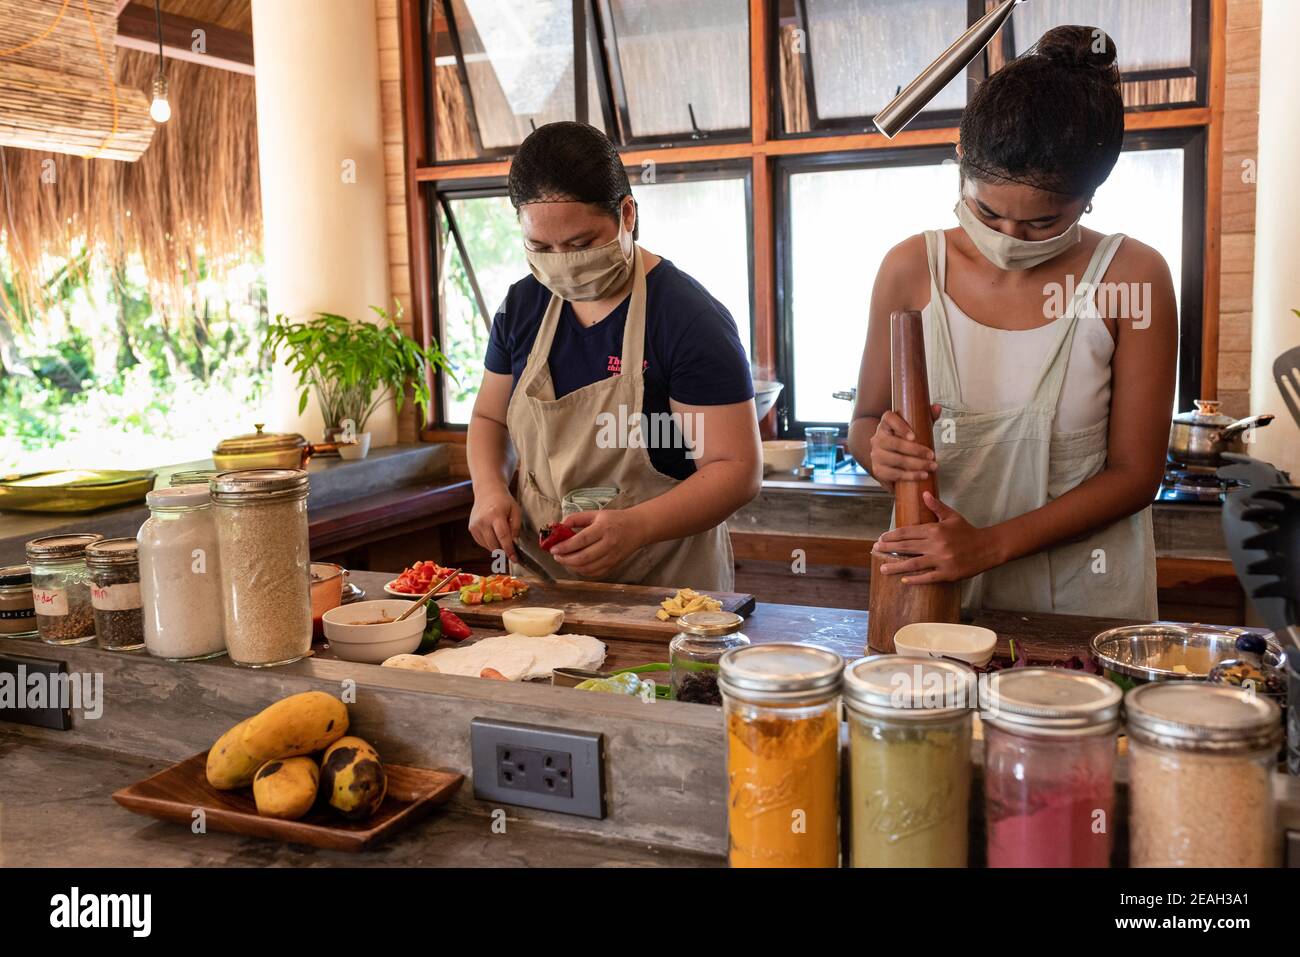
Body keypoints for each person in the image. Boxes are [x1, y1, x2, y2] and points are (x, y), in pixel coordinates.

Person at [846, 26, 1177, 619]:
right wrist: (882, 454)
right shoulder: (910, 267)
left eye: (1043, 223)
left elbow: (1135, 474)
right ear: (959, 163)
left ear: (1090, 196)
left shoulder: (1132, 275)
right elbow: (865, 424)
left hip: (1082, 604)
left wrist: (988, 546)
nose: (1008, 239)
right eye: (987, 211)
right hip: (931, 599)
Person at [466, 121, 761, 591]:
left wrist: (635, 527)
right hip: (543, 589)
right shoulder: (522, 307)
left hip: (667, 592)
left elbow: (736, 470)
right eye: (541, 247)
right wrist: (489, 489)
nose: (561, 261)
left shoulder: (687, 318)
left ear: (627, 213)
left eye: (580, 244)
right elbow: (489, 418)